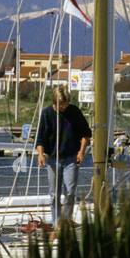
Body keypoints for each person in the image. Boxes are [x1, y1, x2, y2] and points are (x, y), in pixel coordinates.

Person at [34, 86, 92, 224]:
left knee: (70, 191)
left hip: (71, 158)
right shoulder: (46, 114)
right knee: (54, 194)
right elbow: (40, 138)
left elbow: (86, 134)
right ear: (55, 102)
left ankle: (66, 221)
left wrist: (81, 151)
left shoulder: (74, 112)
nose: (64, 108)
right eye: (61, 105)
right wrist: (40, 154)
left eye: (66, 104)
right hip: (53, 159)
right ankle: (56, 223)